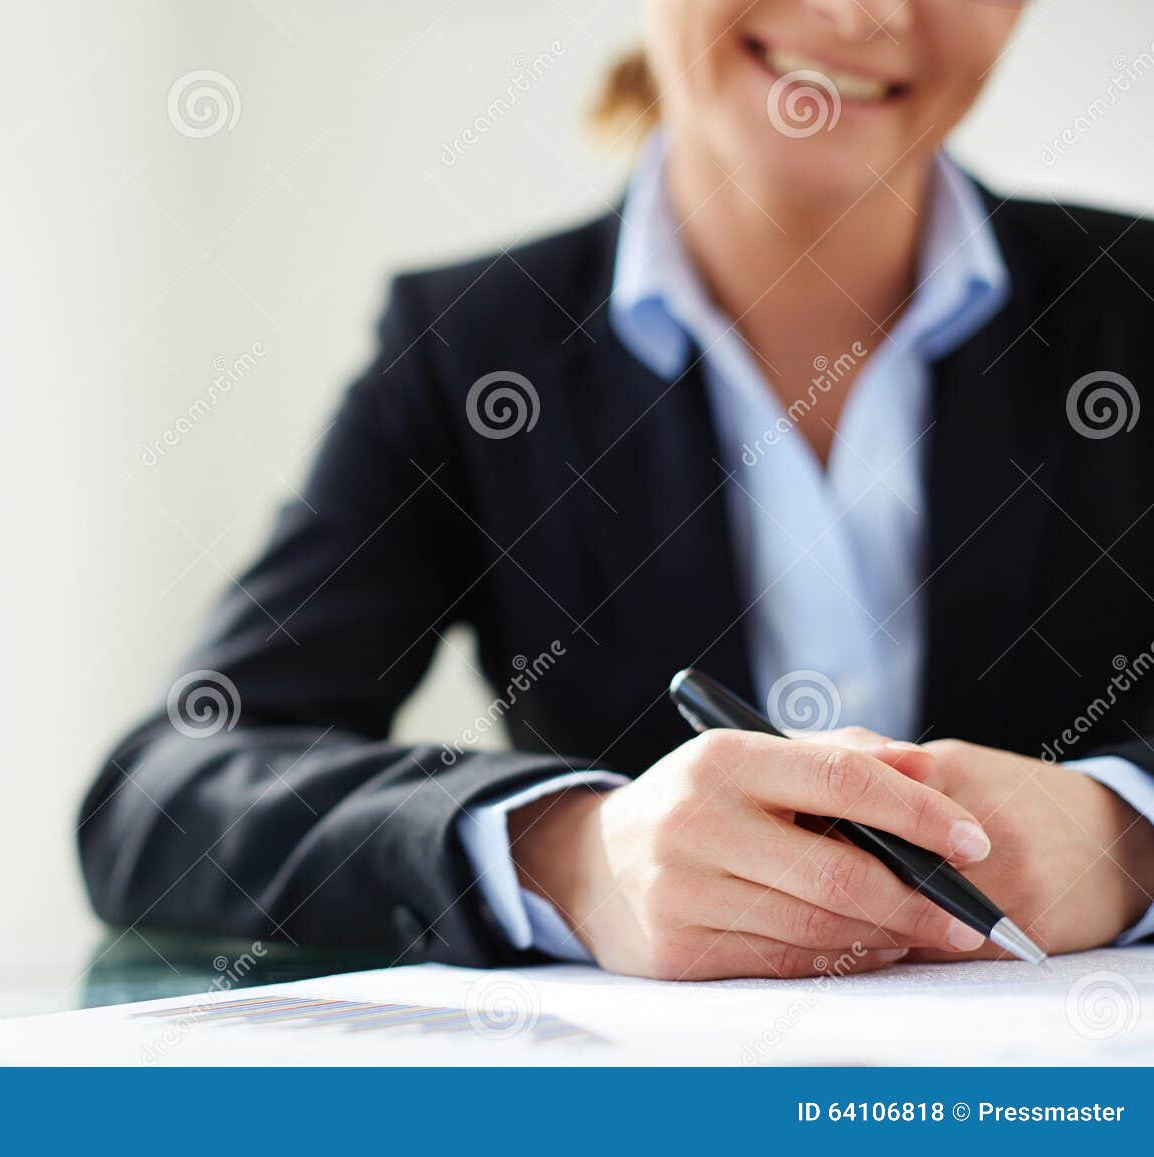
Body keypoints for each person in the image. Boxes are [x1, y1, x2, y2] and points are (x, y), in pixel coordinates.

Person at [79, 0, 1154, 979]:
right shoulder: (472, 353)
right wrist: (566, 851)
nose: (860, 12)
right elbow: (165, 789)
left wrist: (1125, 835)